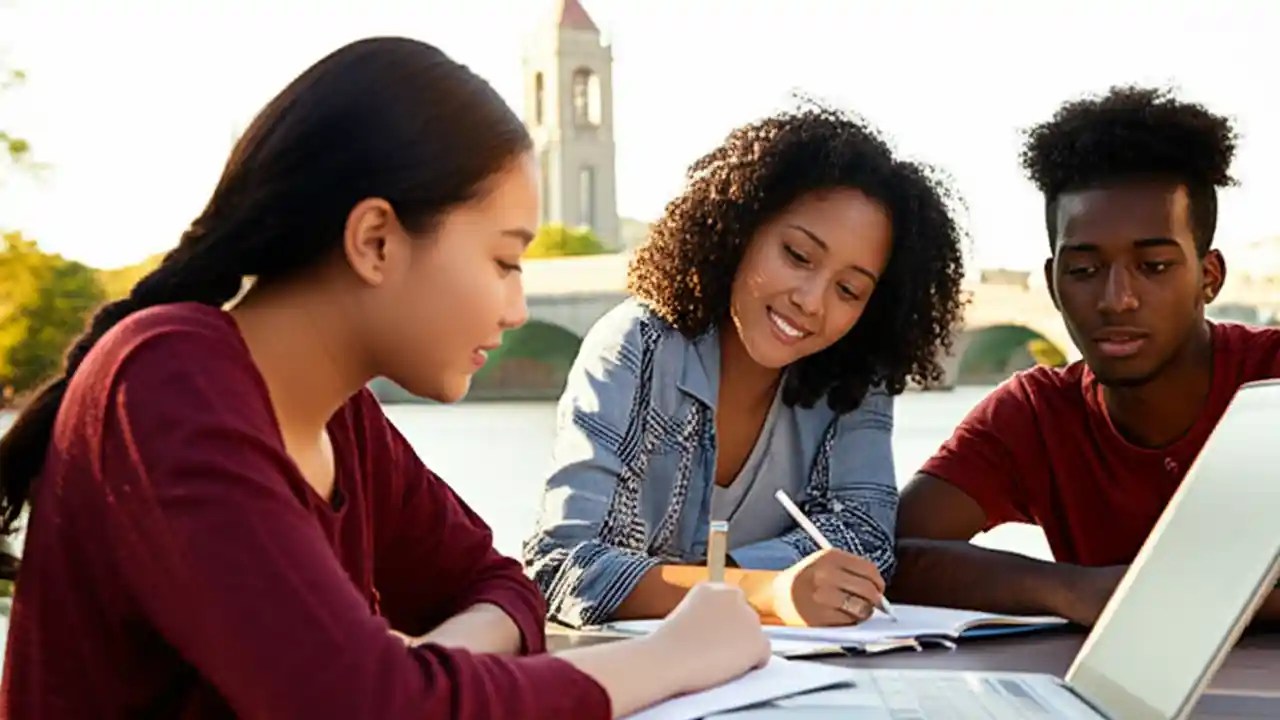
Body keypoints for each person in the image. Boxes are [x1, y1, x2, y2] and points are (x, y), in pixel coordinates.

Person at [0, 37, 769, 719]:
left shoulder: (344, 421)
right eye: (504, 261)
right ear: (375, 241)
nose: (515, 306)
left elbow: (503, 587)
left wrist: (426, 672)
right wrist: (670, 660)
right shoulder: (167, 385)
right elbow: (365, 707)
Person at [524, 98, 968, 630]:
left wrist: (716, 581)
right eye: (798, 256)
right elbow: (564, 566)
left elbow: (865, 537)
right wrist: (766, 591)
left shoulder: (855, 380)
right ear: (741, 227)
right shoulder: (637, 347)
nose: (811, 300)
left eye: (848, 289)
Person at [891, 85, 1280, 627]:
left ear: (1208, 276)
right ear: (1053, 283)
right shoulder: (1035, 414)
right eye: (1084, 270)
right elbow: (892, 552)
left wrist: (1163, 592)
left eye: (1155, 266)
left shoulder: (1271, 380)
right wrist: (1073, 589)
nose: (1116, 298)